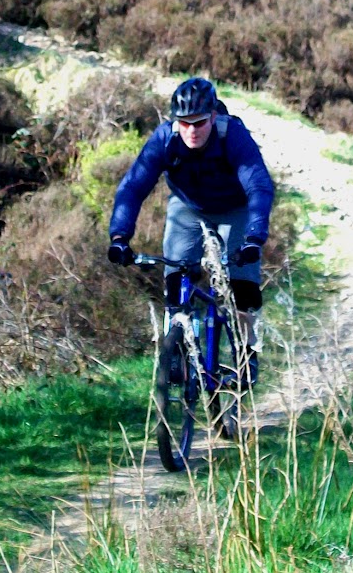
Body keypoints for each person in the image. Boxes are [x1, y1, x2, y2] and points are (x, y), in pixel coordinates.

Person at [107, 76, 274, 386]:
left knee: (242, 286)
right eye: (184, 123)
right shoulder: (165, 138)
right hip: (188, 207)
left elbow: (259, 186)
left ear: (213, 116)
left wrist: (254, 237)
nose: (191, 130)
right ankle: (179, 350)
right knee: (176, 277)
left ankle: (246, 352)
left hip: (236, 208)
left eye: (199, 122)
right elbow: (132, 187)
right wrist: (119, 237)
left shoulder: (232, 135)